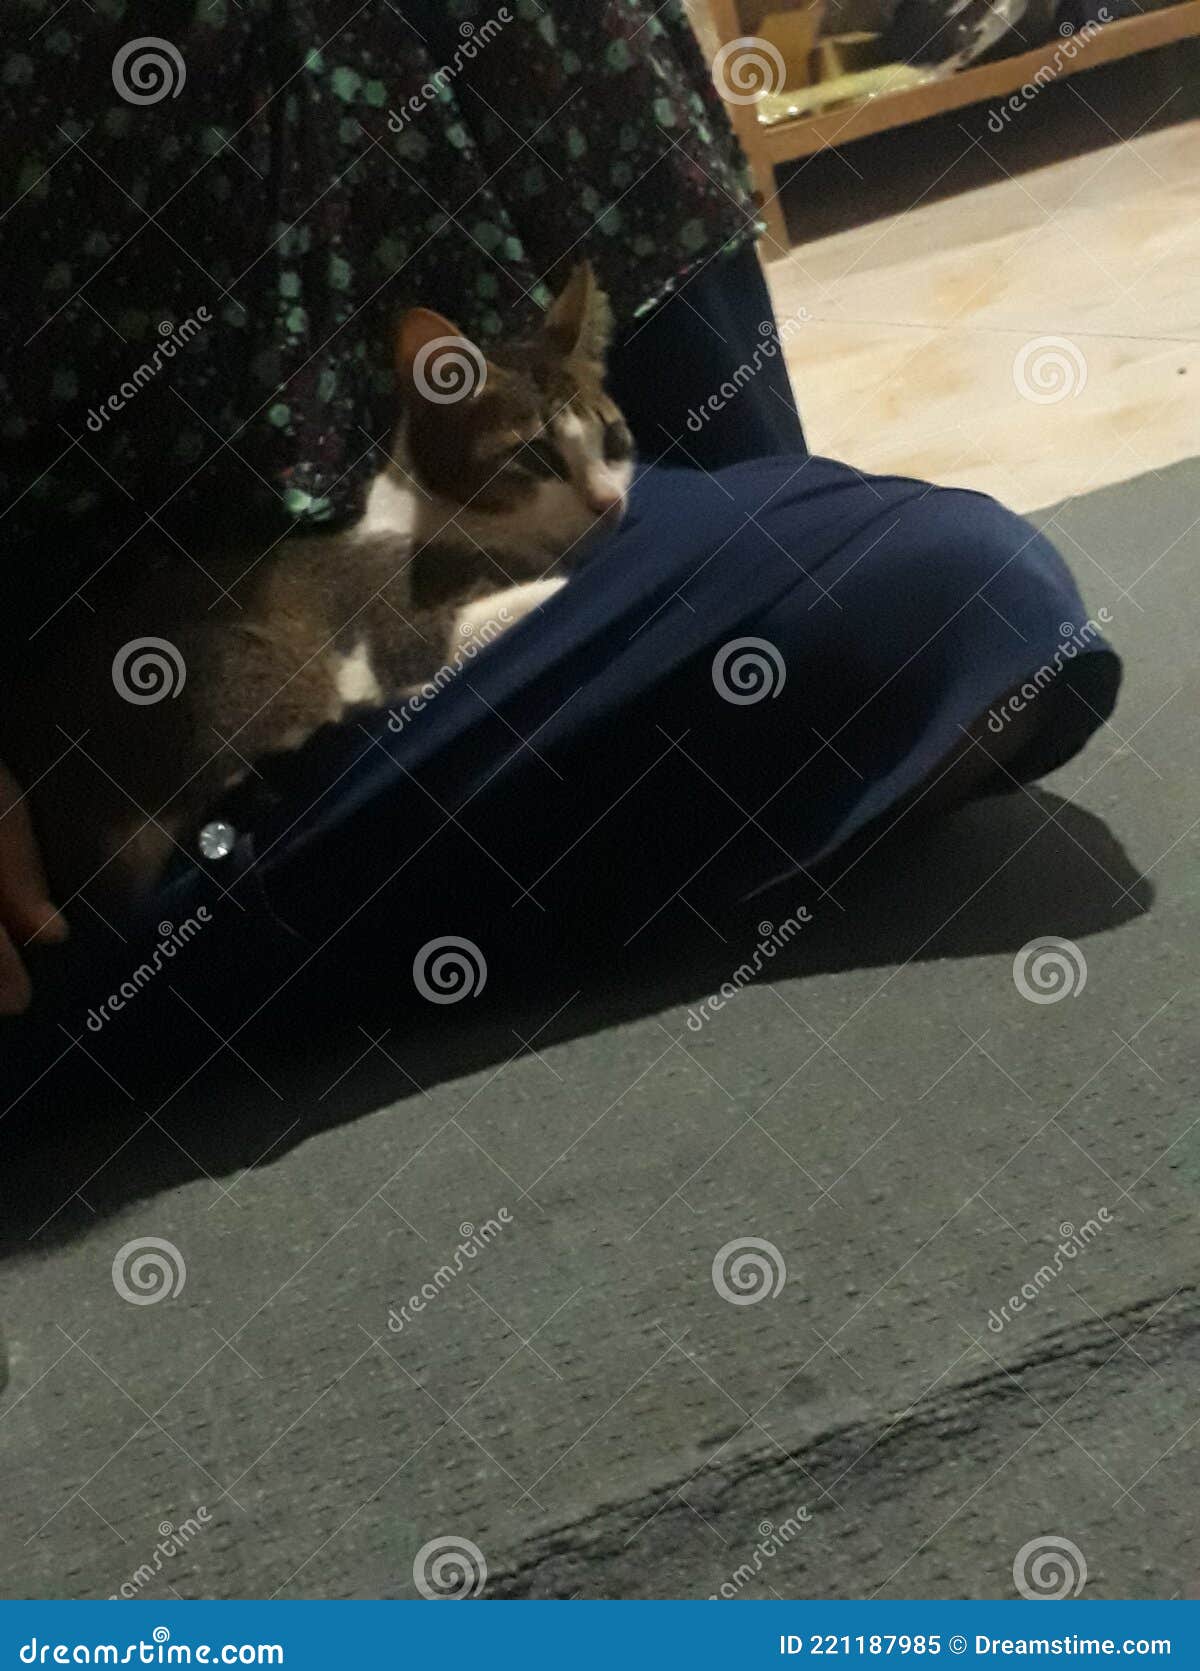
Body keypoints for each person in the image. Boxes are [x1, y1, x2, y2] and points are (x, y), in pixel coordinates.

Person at [0, 1, 1118, 1047]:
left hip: (475, 528)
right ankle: (138, 963)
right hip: (126, 690)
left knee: (954, 601)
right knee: (949, 610)